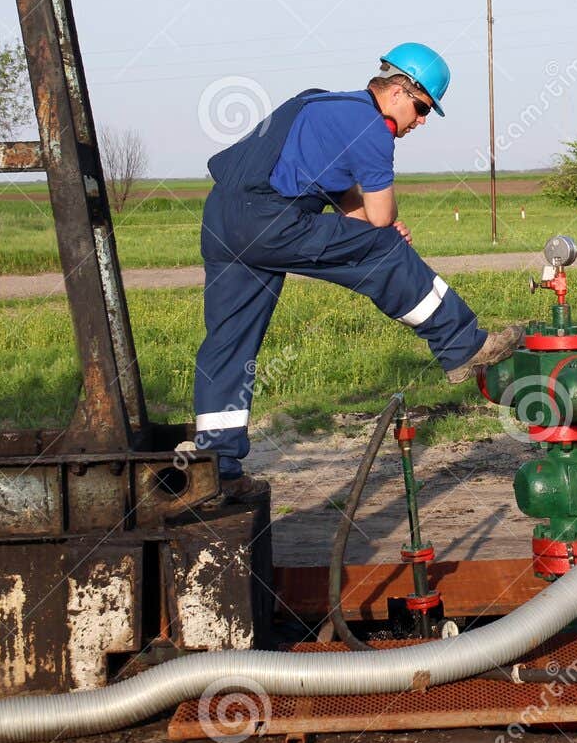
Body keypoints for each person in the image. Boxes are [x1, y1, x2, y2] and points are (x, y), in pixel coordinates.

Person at [191, 43, 521, 503]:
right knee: (386, 252)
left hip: (224, 219)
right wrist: (383, 224)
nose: (422, 121)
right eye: (424, 109)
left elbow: (350, 204)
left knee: (228, 342)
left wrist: (373, 220)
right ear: (402, 91)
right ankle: (462, 343)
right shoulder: (373, 129)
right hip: (271, 220)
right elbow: (381, 217)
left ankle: (217, 467)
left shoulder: (318, 102)